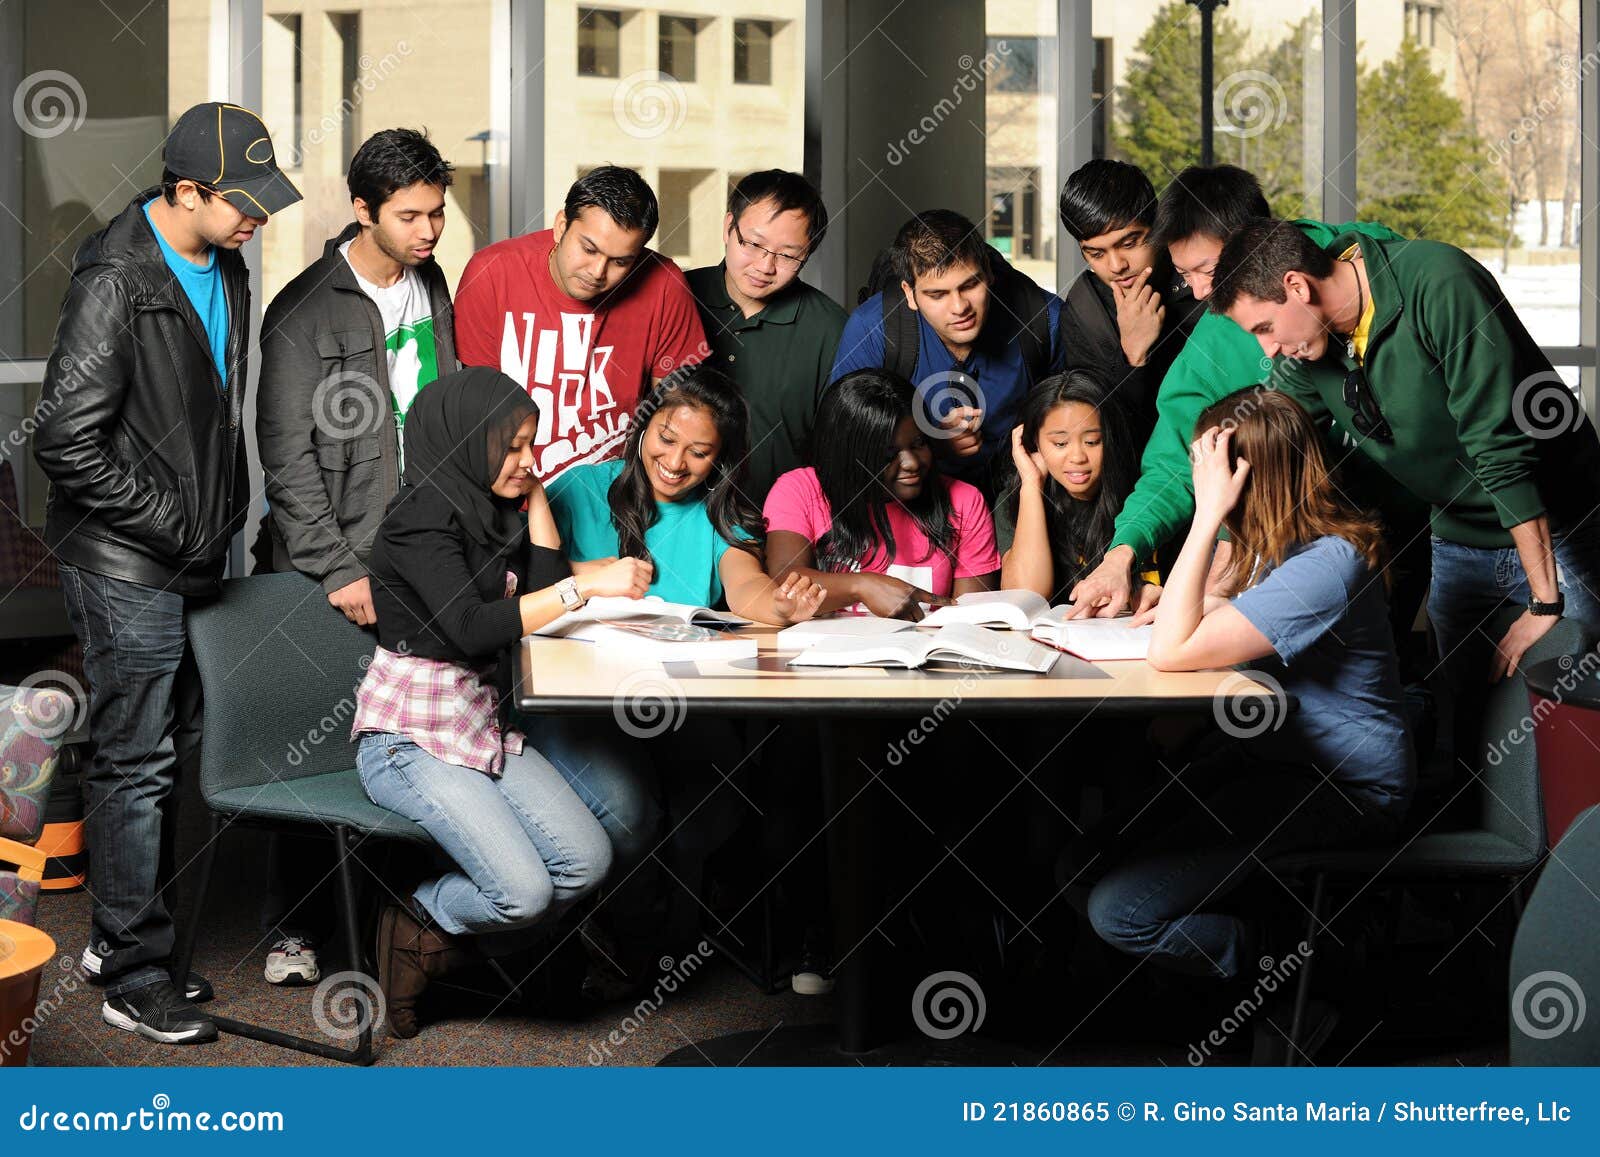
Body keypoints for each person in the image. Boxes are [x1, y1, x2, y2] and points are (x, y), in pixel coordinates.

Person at [32, 102, 302, 1045]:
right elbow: (65, 443)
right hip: (125, 561)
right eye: (243, 201)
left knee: (166, 750)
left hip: (188, 555)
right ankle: (132, 973)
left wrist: (210, 523)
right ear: (187, 191)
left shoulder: (226, 263)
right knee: (137, 760)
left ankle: (121, 939)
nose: (258, 217)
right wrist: (177, 522)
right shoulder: (117, 280)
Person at [1088, 387, 1414, 1059]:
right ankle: (1244, 981)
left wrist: (1207, 515)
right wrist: (1190, 586)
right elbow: (1207, 605)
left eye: (1210, 470)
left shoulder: (1327, 563)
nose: (1200, 483)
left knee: (1119, 912)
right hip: (1276, 761)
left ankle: (1298, 976)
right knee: (1081, 863)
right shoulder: (1274, 544)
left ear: (1245, 480)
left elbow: (1173, 650)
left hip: (1344, 786)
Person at [1208, 218, 1600, 745]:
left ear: (1297, 286)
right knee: (1466, 726)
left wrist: (1545, 601)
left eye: (1264, 327)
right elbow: (1270, 452)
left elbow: (1499, 448)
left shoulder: (1439, 280)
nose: (1270, 348)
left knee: (1583, 713)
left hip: (1562, 524)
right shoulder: (1310, 350)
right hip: (1459, 533)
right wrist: (1216, 584)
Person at [352, 367, 651, 1038]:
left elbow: (539, 601)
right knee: (524, 892)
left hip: (479, 725)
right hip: (407, 739)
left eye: (530, 444)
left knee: (588, 860)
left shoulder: (488, 509)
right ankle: (416, 914)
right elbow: (471, 628)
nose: (527, 460)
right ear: (464, 442)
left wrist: (536, 502)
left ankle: (429, 939)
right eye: (510, 447)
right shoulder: (419, 518)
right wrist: (585, 586)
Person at [536, 367, 825, 991]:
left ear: (721, 458)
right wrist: (592, 575)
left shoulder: (719, 513)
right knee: (630, 812)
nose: (675, 463)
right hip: (580, 700)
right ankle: (628, 948)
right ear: (643, 428)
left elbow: (747, 587)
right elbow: (528, 578)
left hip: (675, 699)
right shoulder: (581, 489)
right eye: (666, 439)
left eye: (699, 452)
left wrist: (780, 606)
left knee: (713, 805)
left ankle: (665, 947)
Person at [254, 127, 458, 986]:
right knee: (315, 743)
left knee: (410, 738)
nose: (429, 230)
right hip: (330, 562)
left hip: (420, 557)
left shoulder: (432, 284)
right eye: (410, 215)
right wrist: (338, 568)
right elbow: (285, 458)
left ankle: (390, 925)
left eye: (437, 213)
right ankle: (294, 929)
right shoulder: (305, 308)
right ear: (363, 209)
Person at [1065, 165, 1408, 620]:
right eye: (1185, 275)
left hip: (1427, 515)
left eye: (1208, 270)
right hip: (1314, 537)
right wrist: (1122, 554)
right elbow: (1177, 459)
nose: (1199, 292)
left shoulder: (1374, 262)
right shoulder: (1213, 339)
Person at [454, 165, 708, 484]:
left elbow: (677, 417)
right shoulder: (491, 273)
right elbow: (475, 415)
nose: (598, 272)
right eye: (588, 249)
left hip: (615, 493)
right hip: (506, 492)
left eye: (620, 262)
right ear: (561, 226)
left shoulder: (664, 284)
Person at [829, 211, 1066, 491]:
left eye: (970, 285)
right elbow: (843, 441)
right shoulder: (873, 328)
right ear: (909, 293)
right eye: (937, 294)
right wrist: (928, 444)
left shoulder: (1045, 319)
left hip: (1021, 488)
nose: (959, 307)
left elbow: (1078, 424)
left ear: (988, 273)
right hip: (916, 494)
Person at [764, 367, 1002, 617]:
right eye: (888, 455)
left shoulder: (964, 501)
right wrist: (861, 586)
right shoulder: (800, 489)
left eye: (918, 443)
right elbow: (785, 581)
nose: (911, 463)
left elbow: (970, 617)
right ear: (849, 454)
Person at [685, 170, 847, 505]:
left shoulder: (833, 329)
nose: (765, 266)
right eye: (754, 244)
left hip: (778, 522)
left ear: (808, 253)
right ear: (728, 227)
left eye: (787, 255)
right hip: (671, 516)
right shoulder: (677, 296)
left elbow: (841, 450)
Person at [1057, 159, 1206, 448]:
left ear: (1157, 225)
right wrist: (1133, 354)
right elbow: (1103, 435)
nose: (1117, 266)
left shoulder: (1202, 278)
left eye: (1129, 243)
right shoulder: (1085, 311)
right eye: (1096, 254)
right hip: (1138, 462)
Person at [996, 372, 1158, 607]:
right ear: (1034, 443)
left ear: (1111, 438)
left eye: (1092, 441)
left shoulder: (1148, 495)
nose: (1077, 457)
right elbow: (1025, 598)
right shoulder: (1016, 501)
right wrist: (1031, 485)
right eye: (1060, 444)